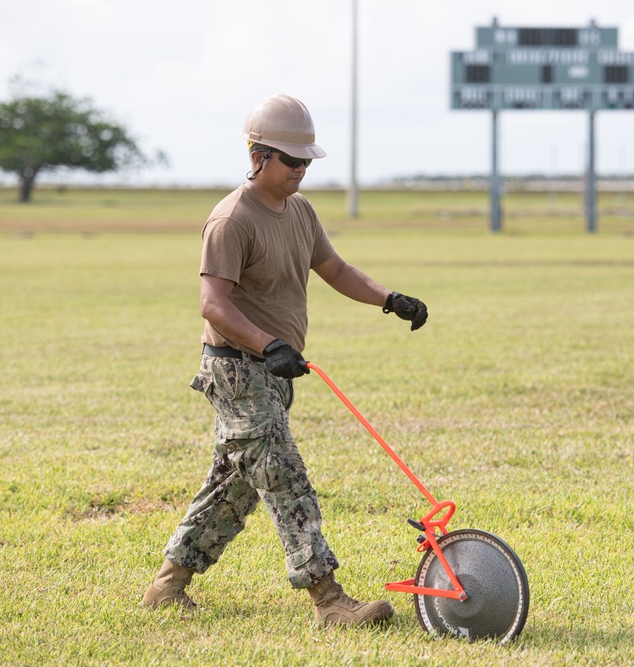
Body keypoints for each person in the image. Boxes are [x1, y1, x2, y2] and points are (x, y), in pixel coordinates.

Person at [141, 93, 428, 626]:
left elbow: (336, 269)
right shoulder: (231, 220)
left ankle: (167, 585)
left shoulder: (300, 212)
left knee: (234, 486)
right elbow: (213, 303)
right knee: (284, 476)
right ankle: (329, 601)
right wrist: (266, 343)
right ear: (257, 156)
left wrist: (390, 299)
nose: (300, 170)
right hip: (237, 370)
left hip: (273, 372)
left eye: (306, 161)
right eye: (290, 160)